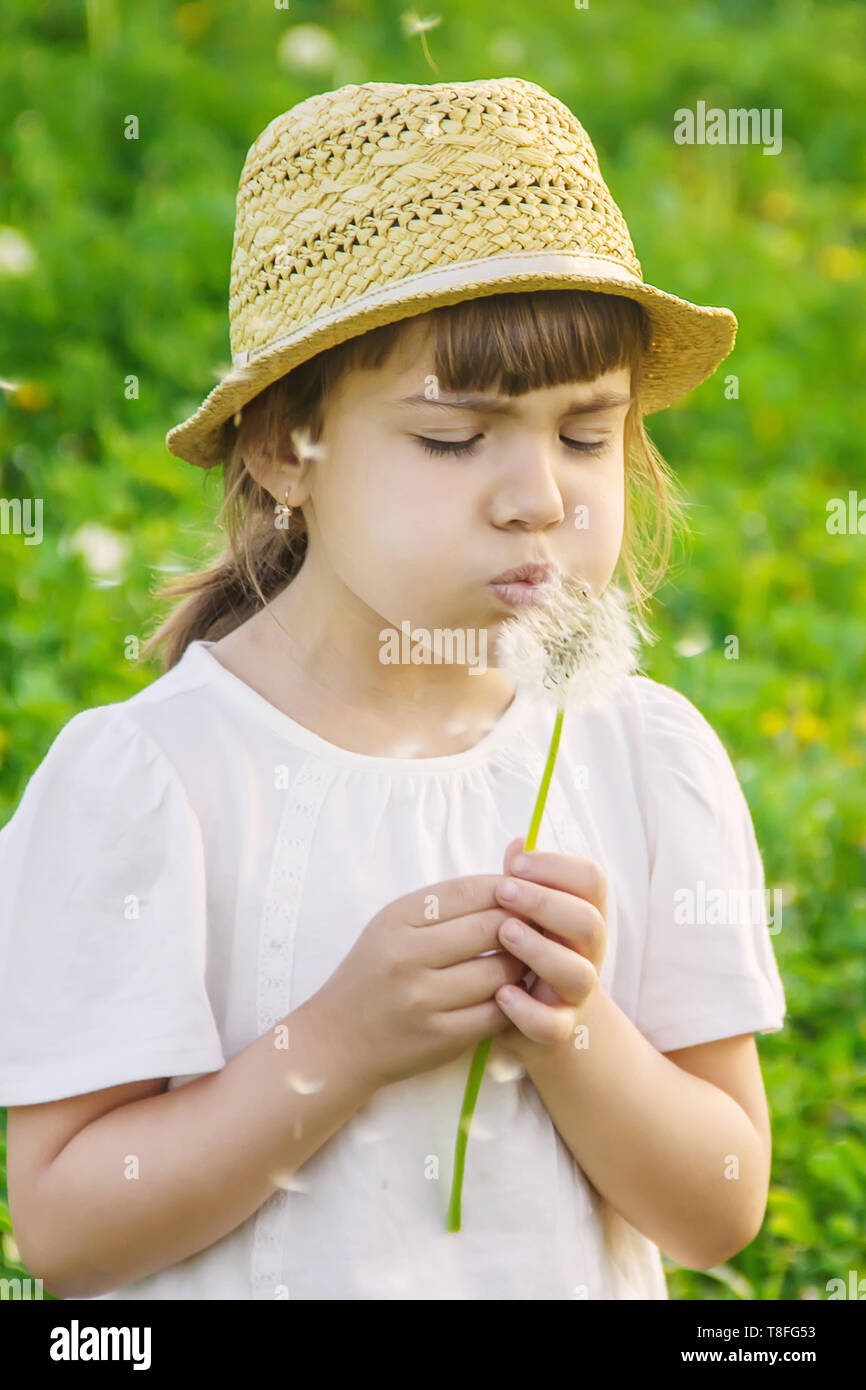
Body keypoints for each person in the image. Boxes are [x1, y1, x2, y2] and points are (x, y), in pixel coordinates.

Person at [0, 77, 785, 1300]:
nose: (539, 495)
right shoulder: (156, 782)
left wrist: (574, 1032)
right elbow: (68, 1231)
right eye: (453, 438)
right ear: (282, 449)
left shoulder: (639, 758)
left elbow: (719, 1205)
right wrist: (339, 1045)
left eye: (586, 433)